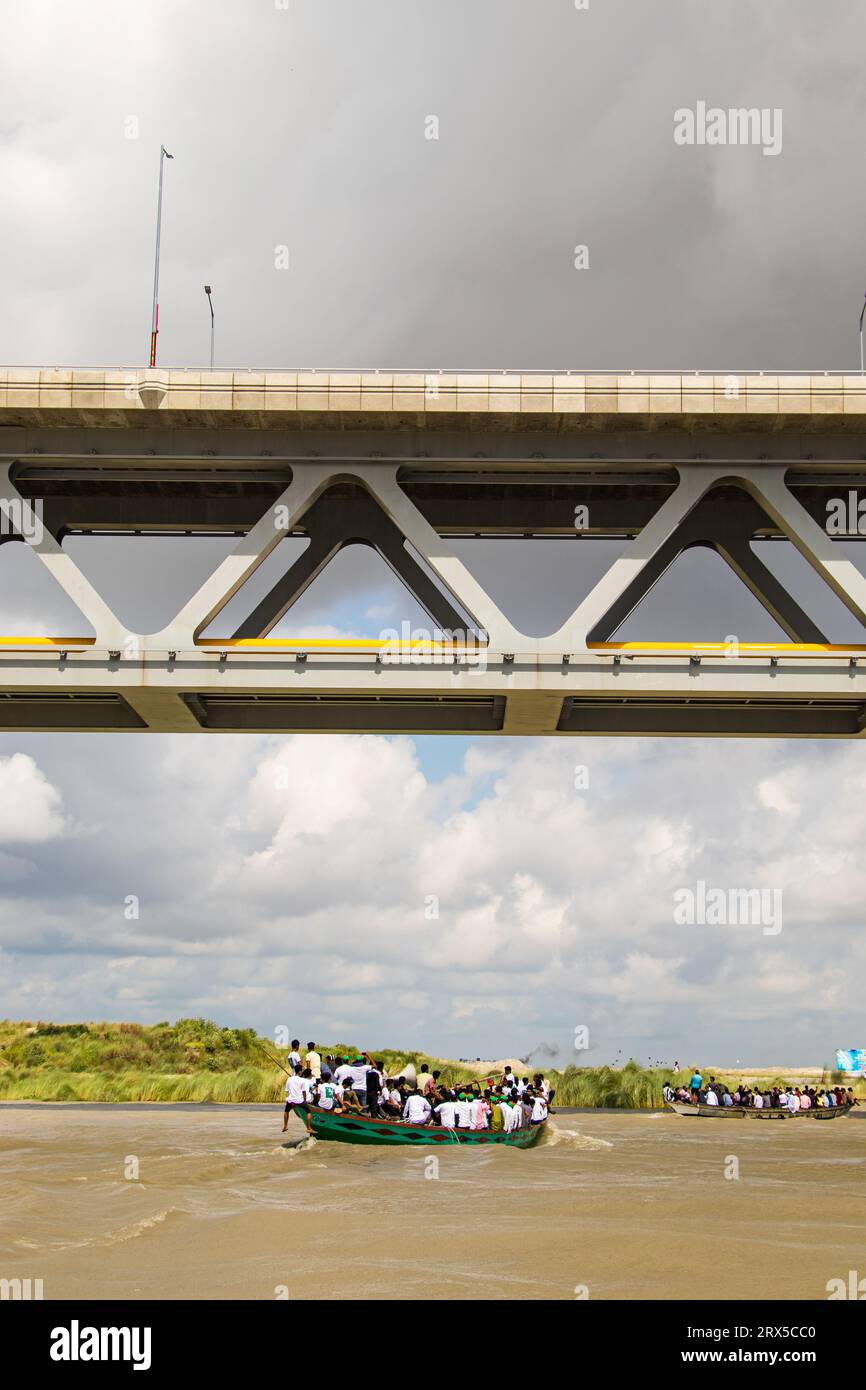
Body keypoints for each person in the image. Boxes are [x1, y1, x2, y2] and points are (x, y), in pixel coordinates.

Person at [282, 1067, 313, 1131]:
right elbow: (304, 1092)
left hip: (290, 1100)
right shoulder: (302, 1080)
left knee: (286, 1111)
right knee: (309, 1111)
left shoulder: (289, 1079)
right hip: (299, 1100)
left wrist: (291, 1099)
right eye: (301, 1070)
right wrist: (304, 1101)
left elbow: (287, 1091)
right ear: (299, 1071)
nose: (302, 1072)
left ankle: (285, 1126)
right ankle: (308, 1128)